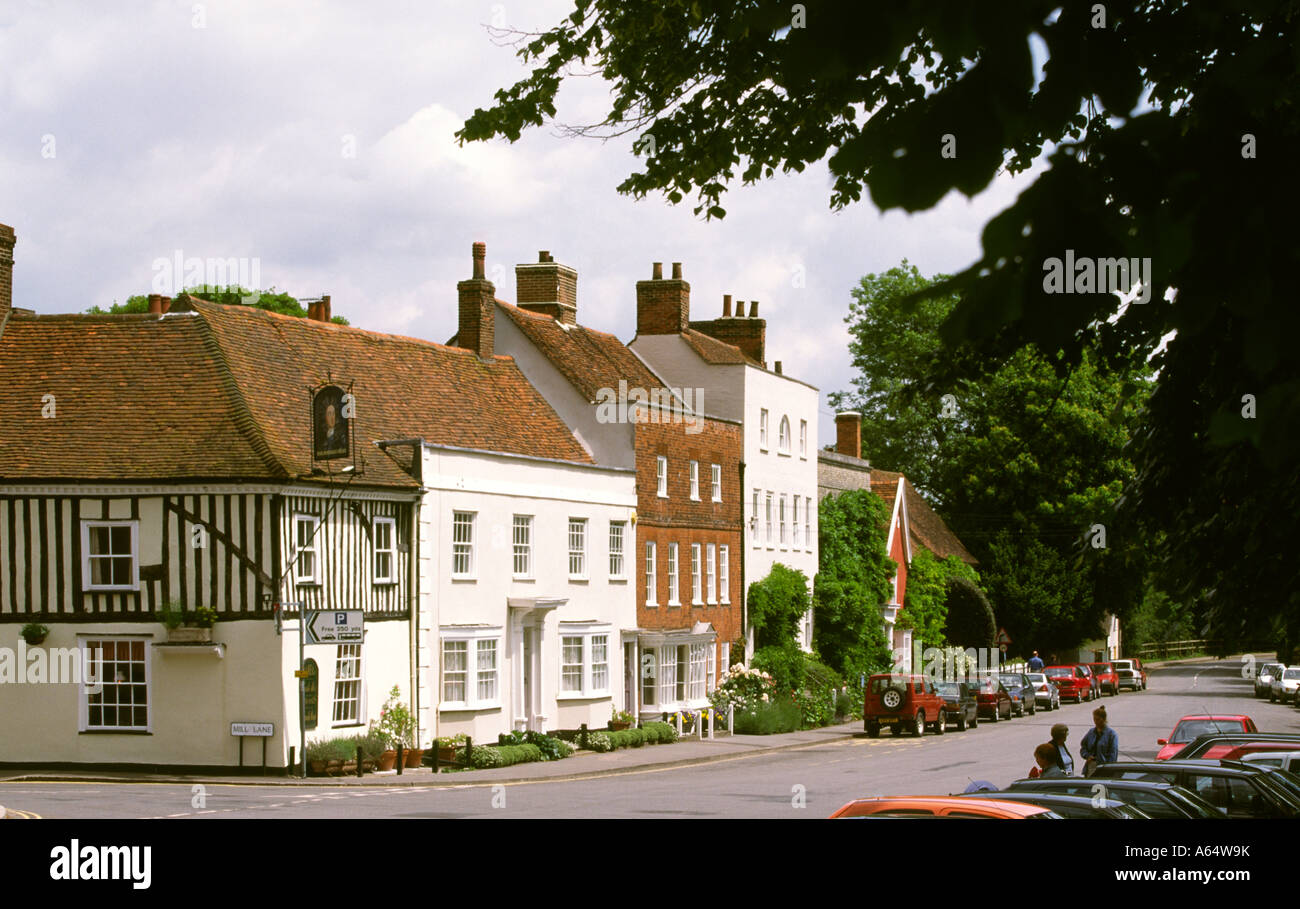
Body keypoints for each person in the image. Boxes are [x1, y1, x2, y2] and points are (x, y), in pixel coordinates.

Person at [1080, 705, 1119, 776]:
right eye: (1094, 719)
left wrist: (1108, 768)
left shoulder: (1111, 734)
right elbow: (1083, 747)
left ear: (1103, 719)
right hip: (1091, 766)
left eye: (1098, 719)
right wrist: (1087, 756)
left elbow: (1113, 754)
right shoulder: (1091, 732)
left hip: (1104, 767)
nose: (1095, 722)